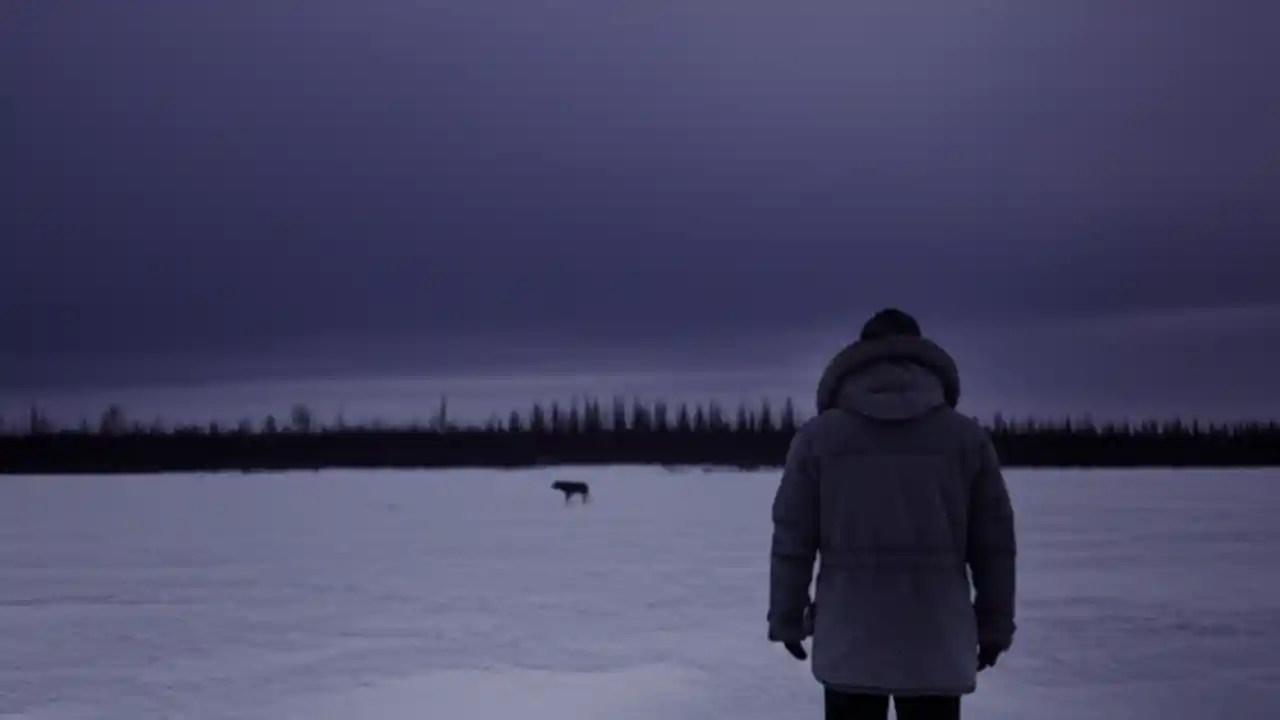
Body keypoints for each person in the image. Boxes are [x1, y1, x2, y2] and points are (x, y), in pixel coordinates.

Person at [768, 309, 1017, 720]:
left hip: (849, 645)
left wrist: (787, 617)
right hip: (935, 643)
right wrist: (994, 626)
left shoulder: (818, 439)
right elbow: (994, 547)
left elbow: (792, 539)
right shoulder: (965, 439)